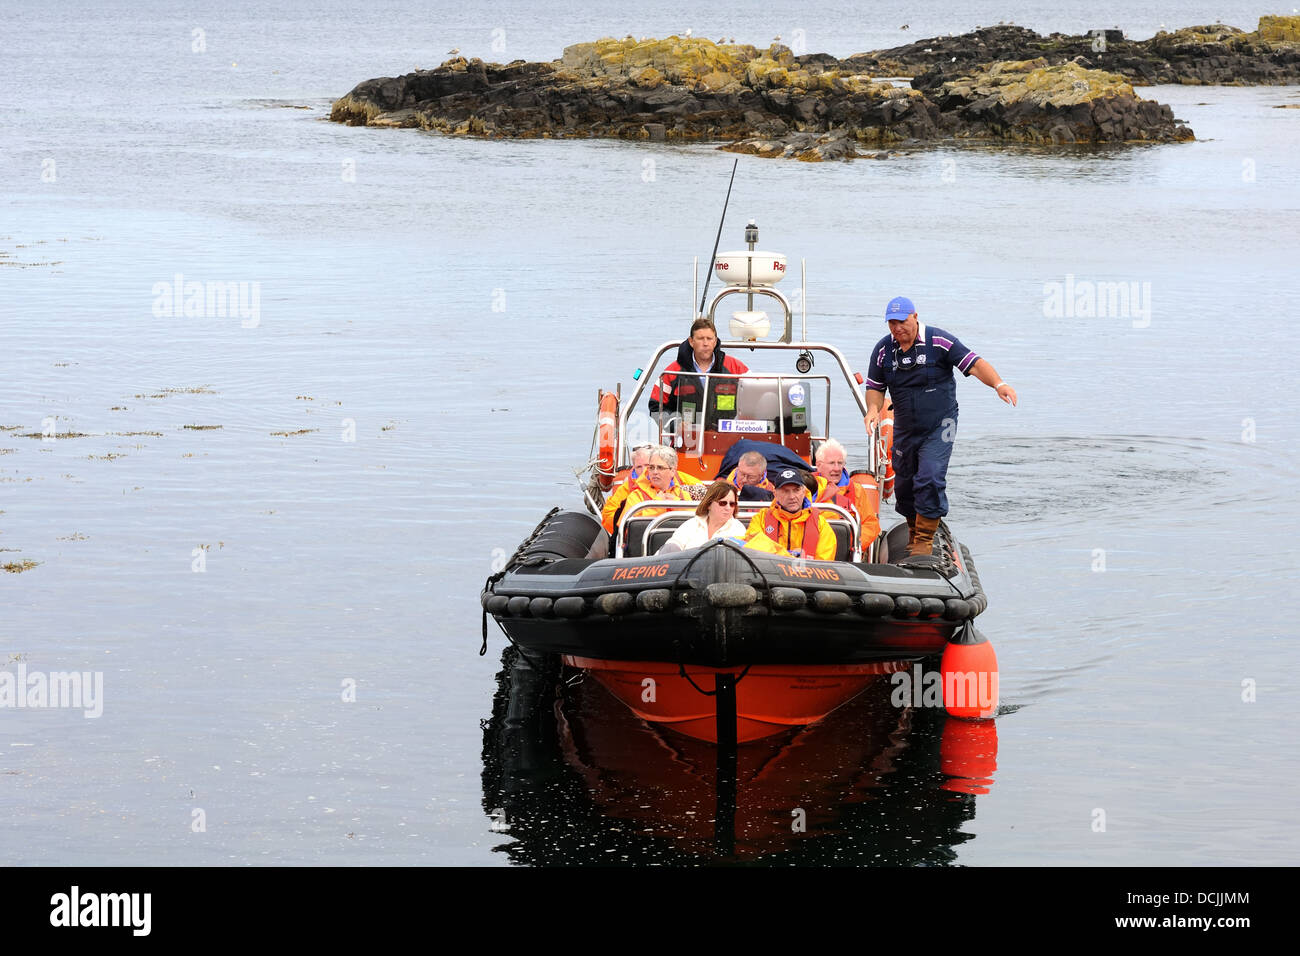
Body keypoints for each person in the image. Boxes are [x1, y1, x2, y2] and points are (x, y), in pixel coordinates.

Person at [862, 296, 1017, 557]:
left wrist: (999, 385)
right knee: (905, 484)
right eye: (892, 323)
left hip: (940, 424)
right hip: (905, 426)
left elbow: (974, 363)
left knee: (930, 476)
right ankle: (912, 530)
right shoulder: (883, 350)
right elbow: (875, 387)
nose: (897, 328)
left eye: (902, 321)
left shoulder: (939, 341)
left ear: (915, 317)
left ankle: (924, 539)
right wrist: (873, 410)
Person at [648, 317, 749, 432]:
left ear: (715, 341)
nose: (705, 343)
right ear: (691, 342)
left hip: (728, 437)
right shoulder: (672, 372)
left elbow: (755, 398)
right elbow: (655, 407)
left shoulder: (736, 368)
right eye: (700, 339)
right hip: (687, 441)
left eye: (709, 339)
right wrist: (675, 425)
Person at [745, 468, 836, 561]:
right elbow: (753, 549)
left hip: (809, 574)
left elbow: (825, 564)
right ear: (775, 493)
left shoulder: (820, 524)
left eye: (796, 490)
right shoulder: (761, 519)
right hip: (769, 574)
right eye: (785, 491)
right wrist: (789, 558)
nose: (792, 497)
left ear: (804, 492)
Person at [605, 444, 694, 537]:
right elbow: (626, 531)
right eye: (651, 467)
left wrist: (677, 504)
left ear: (672, 471)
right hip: (645, 549)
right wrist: (658, 505)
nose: (655, 472)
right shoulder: (636, 496)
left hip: (681, 548)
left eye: (660, 467)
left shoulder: (683, 496)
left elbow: (698, 522)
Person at [812, 437, 881, 545]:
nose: (837, 468)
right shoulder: (806, 488)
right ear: (819, 465)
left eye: (840, 463)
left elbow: (871, 524)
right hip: (812, 548)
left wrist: (852, 544)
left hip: (845, 550)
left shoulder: (857, 491)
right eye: (831, 463)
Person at [656, 482, 747, 553]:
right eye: (722, 503)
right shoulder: (691, 524)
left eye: (732, 504)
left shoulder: (738, 529)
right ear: (709, 504)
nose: (728, 508)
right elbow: (671, 548)